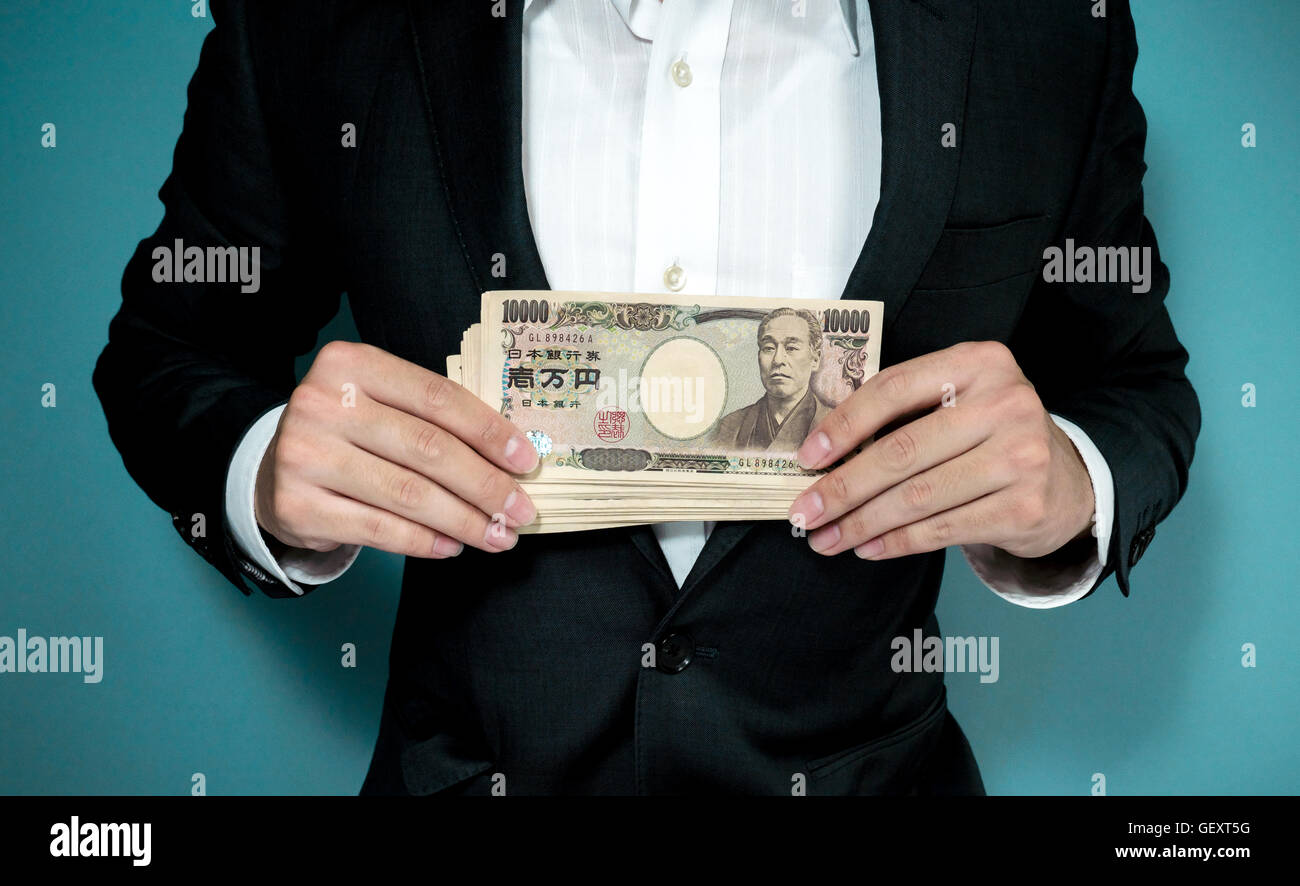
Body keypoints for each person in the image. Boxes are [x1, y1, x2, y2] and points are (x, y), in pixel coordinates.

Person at [93, 0, 1199, 795]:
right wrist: (258, 471)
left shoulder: (1048, 31)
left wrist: (1072, 482)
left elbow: (1134, 381)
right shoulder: (315, 23)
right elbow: (166, 345)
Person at [709, 308, 833, 452]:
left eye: (791, 348)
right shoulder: (728, 428)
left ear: (815, 359)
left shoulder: (831, 422)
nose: (778, 360)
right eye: (769, 348)